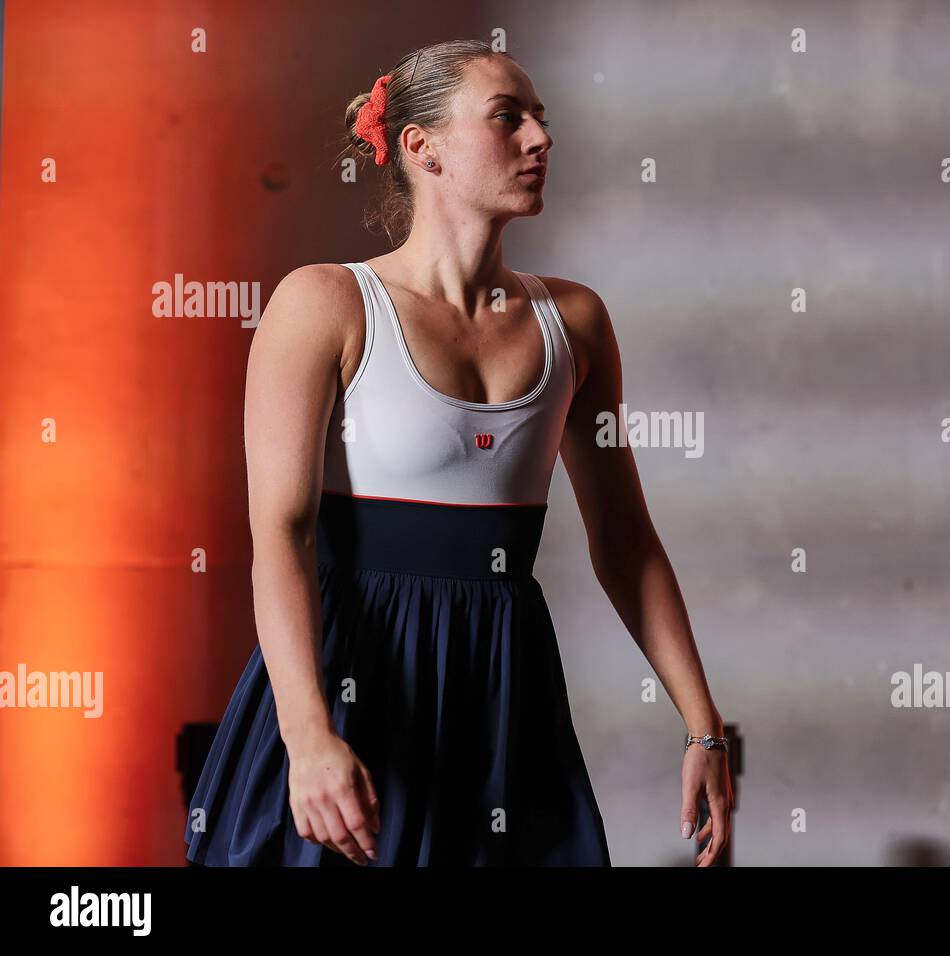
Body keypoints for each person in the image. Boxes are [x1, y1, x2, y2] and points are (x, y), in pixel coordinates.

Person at [183, 39, 732, 866]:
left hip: (504, 692)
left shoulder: (575, 321)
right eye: (508, 119)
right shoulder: (324, 303)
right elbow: (283, 535)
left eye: (541, 119)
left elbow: (625, 542)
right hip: (346, 687)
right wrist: (309, 739)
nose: (540, 139)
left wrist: (704, 728)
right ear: (421, 145)